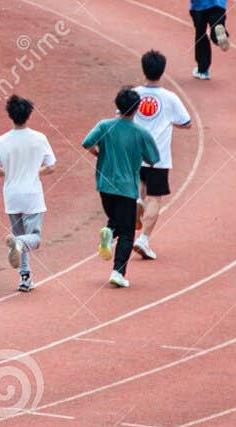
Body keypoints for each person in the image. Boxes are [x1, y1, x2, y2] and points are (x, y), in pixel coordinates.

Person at [82, 88, 160, 288]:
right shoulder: (141, 133)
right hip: (126, 187)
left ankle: (109, 231)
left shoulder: (104, 125)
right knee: (127, 231)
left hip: (104, 184)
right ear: (137, 110)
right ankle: (118, 271)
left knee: (115, 218)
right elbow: (152, 159)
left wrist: (100, 155)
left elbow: (87, 143)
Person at [0, 95, 56, 293]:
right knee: (33, 238)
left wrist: (10, 171)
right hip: (32, 195)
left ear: (10, 115)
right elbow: (51, 166)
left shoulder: (1, 141)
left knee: (20, 238)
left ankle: (25, 278)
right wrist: (35, 171)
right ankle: (18, 245)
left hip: (11, 195)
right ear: (29, 114)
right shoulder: (39, 138)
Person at [131, 50, 192, 259]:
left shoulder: (134, 94)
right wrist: (168, 121)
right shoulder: (170, 98)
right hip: (159, 155)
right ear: (163, 71)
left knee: (140, 182)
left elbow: (120, 115)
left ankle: (138, 202)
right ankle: (143, 239)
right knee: (155, 197)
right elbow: (187, 122)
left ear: (143, 69)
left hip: (134, 151)